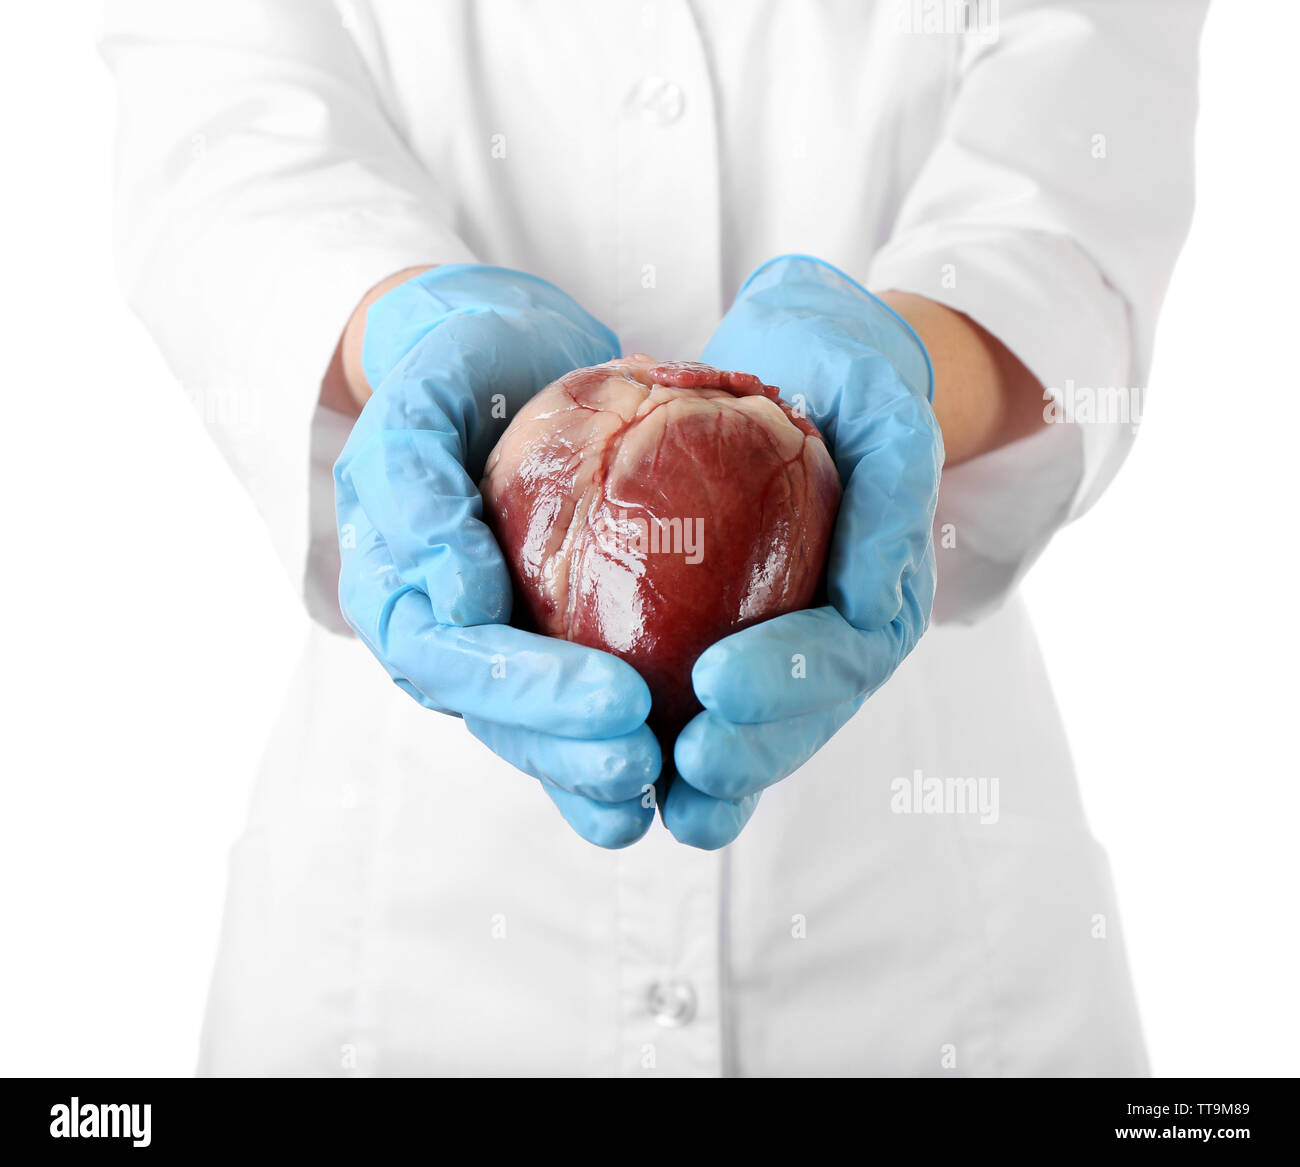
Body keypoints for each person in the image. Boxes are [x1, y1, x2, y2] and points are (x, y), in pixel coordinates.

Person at [99, 0, 1206, 1076]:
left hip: (918, 939)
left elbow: (1076, 154)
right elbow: (219, 118)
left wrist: (906, 369)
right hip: (411, 947)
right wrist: (386, 326)